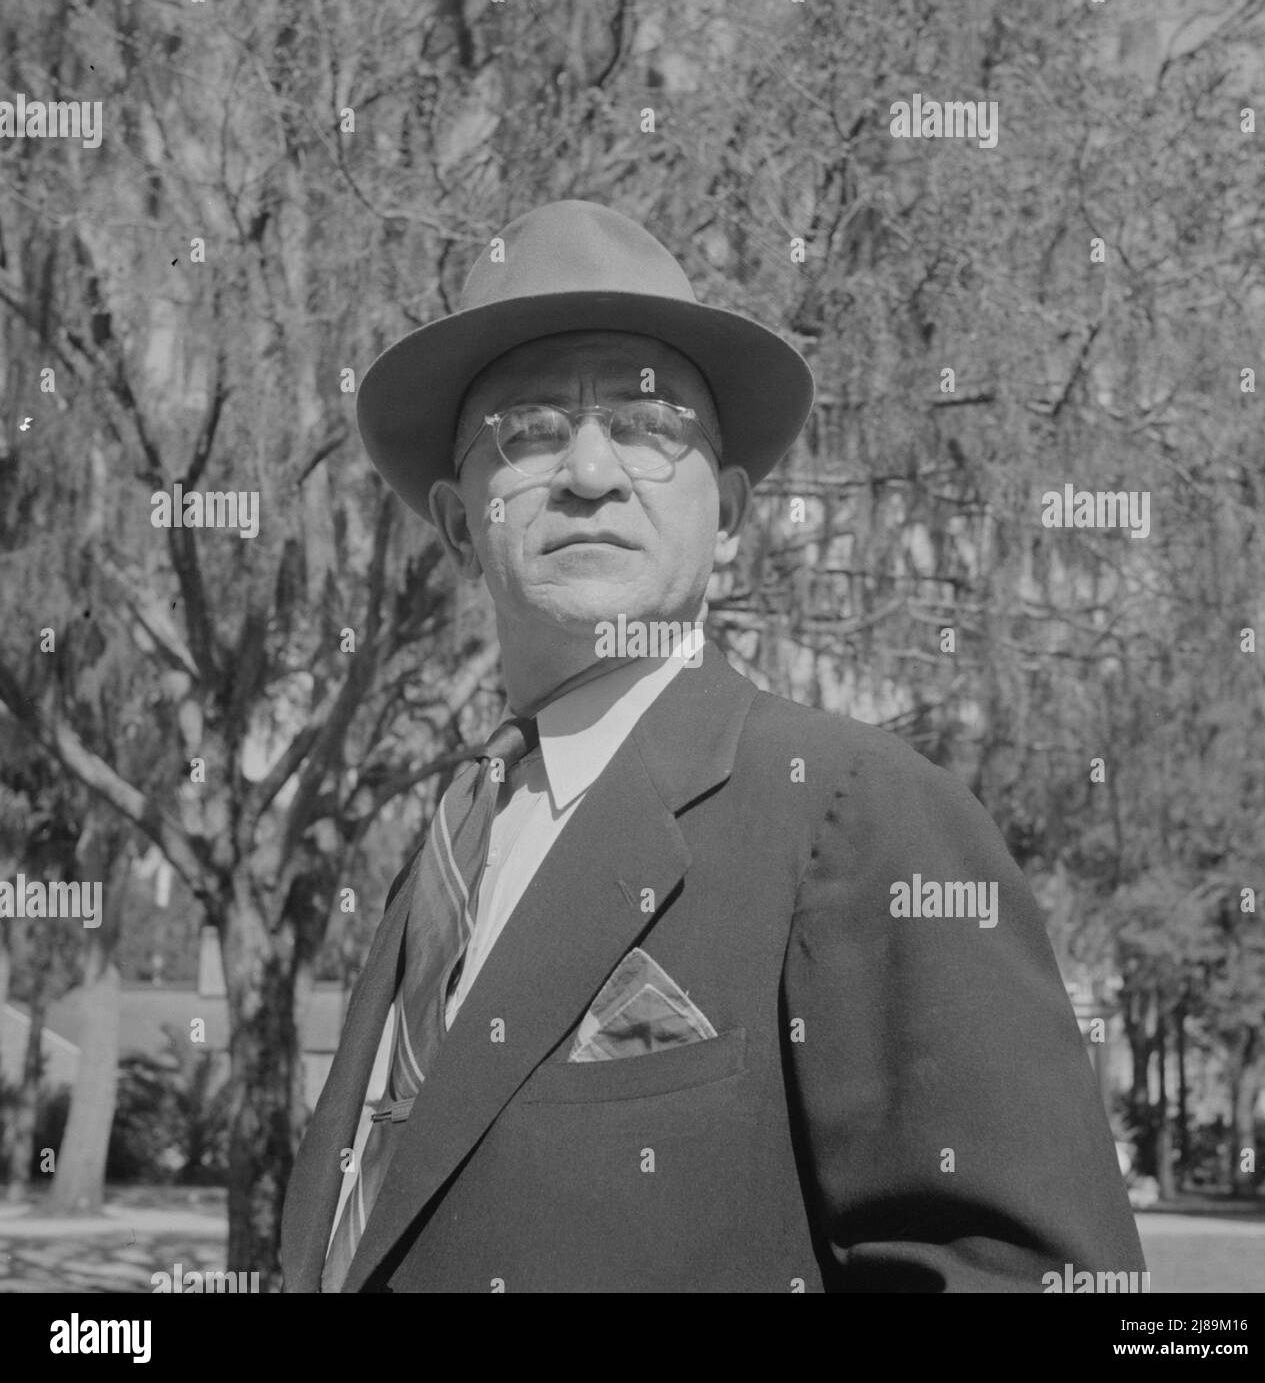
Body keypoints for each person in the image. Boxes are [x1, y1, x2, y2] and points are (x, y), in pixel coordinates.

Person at [280, 199, 1145, 1292]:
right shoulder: (441, 862)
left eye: (644, 428)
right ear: (460, 524)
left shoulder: (855, 811)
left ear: (729, 512)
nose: (588, 472)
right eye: (529, 432)